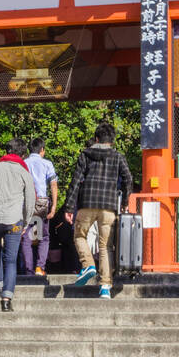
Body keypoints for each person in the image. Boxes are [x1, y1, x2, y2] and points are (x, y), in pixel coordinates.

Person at [65, 122, 132, 299]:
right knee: (105, 246)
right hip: (109, 206)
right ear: (112, 140)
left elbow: (75, 181)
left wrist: (69, 207)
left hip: (86, 202)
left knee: (79, 236)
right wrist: (125, 201)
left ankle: (88, 265)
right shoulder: (118, 157)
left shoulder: (85, 155)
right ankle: (105, 287)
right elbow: (128, 178)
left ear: (96, 139)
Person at [0, 137, 35, 312]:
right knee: (10, 259)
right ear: (22, 154)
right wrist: (26, 221)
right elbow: (30, 200)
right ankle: (6, 299)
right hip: (14, 221)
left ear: (7, 151)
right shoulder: (24, 172)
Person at [20, 137, 59, 277]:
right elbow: (53, 185)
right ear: (42, 150)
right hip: (42, 203)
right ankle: (39, 267)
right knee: (44, 237)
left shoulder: (23, 163)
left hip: (27, 203)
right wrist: (54, 206)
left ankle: (28, 270)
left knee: (26, 237)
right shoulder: (47, 164)